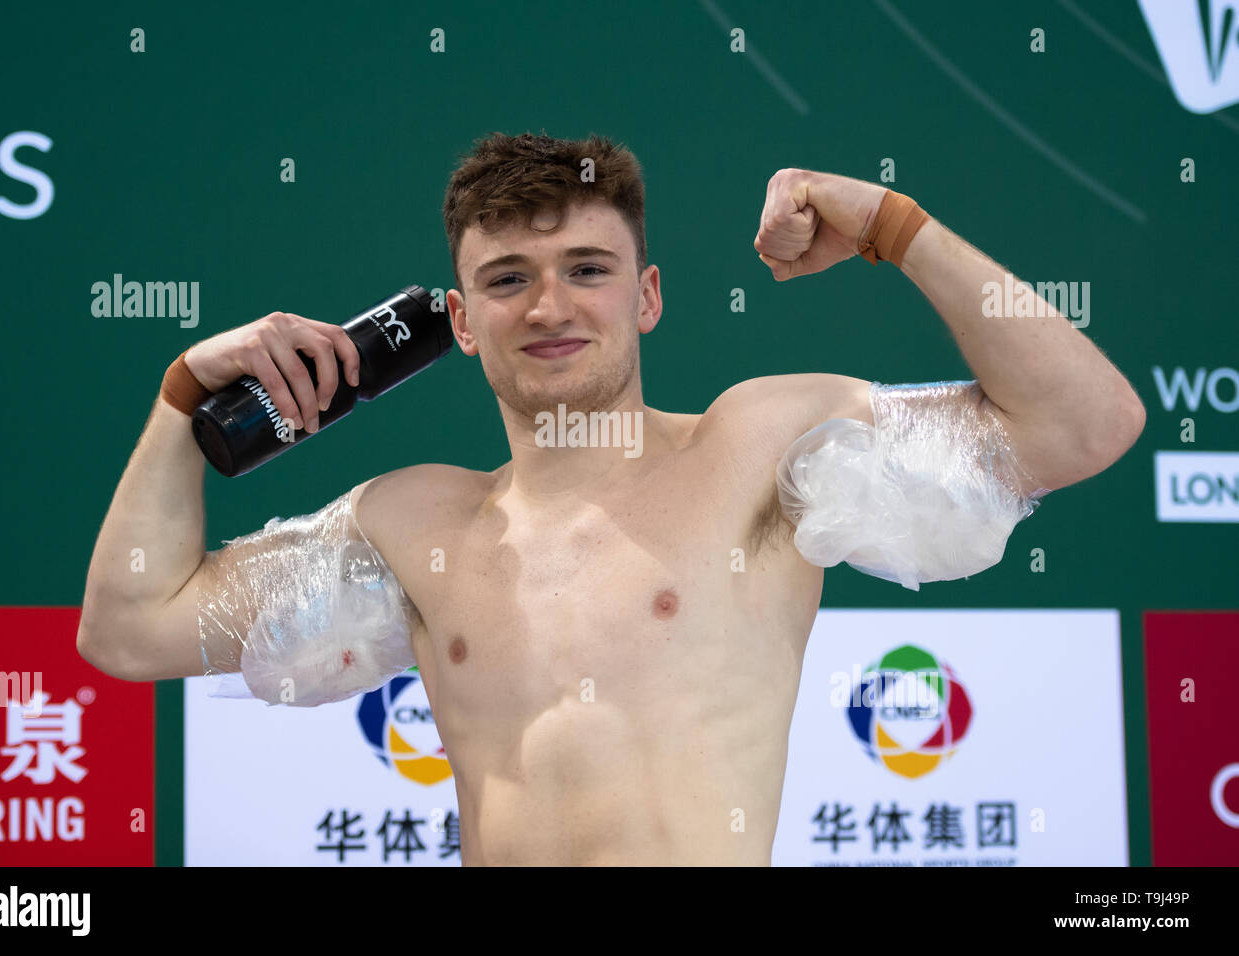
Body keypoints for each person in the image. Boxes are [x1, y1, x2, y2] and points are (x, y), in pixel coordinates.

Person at [77, 131, 1145, 865]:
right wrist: (184, 395)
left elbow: (1083, 424)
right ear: (457, 319)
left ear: (647, 295)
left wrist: (893, 223)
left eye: (587, 269)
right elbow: (129, 627)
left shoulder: (761, 450)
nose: (549, 304)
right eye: (507, 278)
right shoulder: (416, 523)